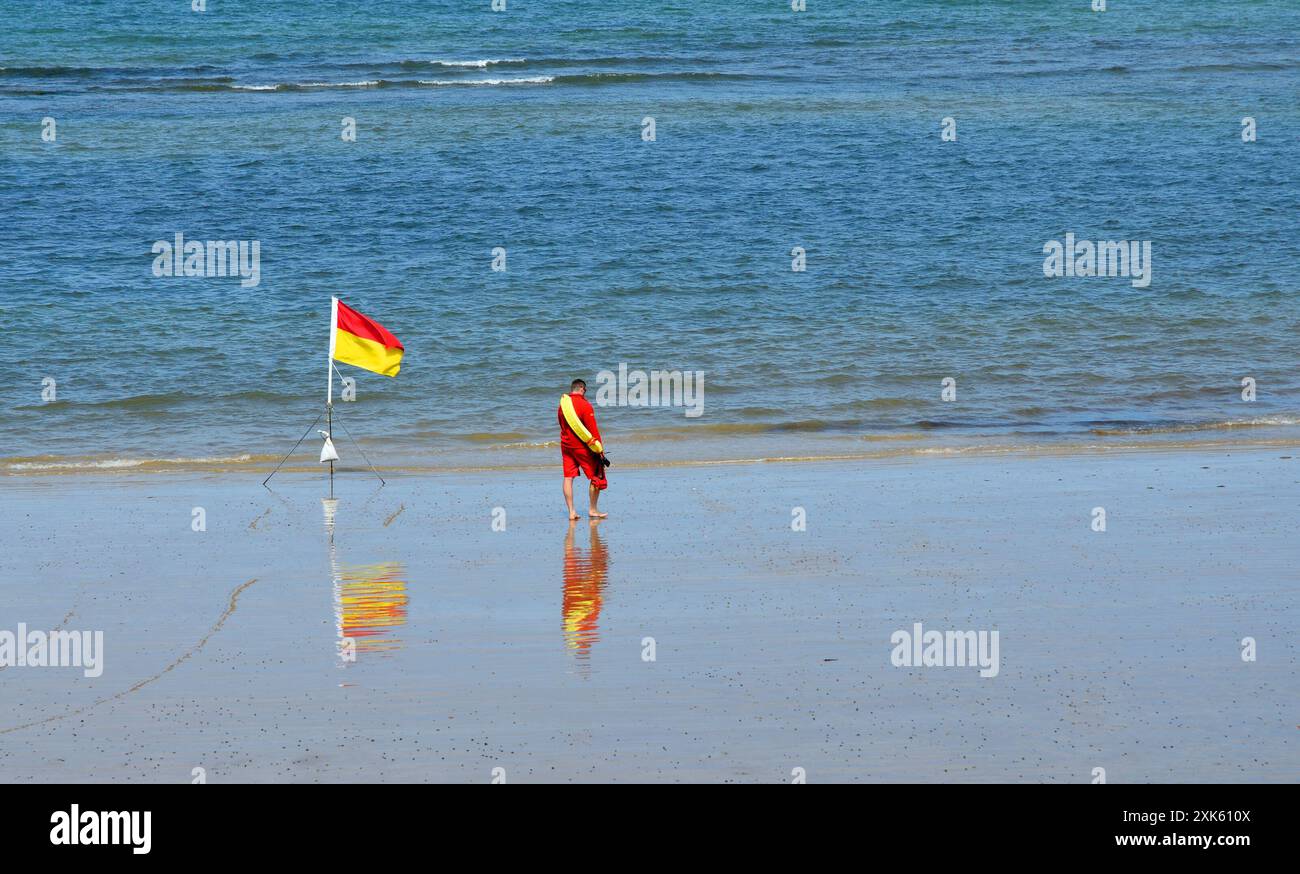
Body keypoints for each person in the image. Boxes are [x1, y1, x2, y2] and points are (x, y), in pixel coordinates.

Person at [558, 379, 608, 520]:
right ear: (581, 388)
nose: (585, 393)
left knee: (568, 477)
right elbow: (593, 430)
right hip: (582, 448)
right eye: (585, 390)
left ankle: (571, 512)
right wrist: (600, 450)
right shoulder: (585, 405)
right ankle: (592, 510)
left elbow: (561, 425)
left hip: (566, 445)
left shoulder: (562, 405)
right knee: (597, 476)